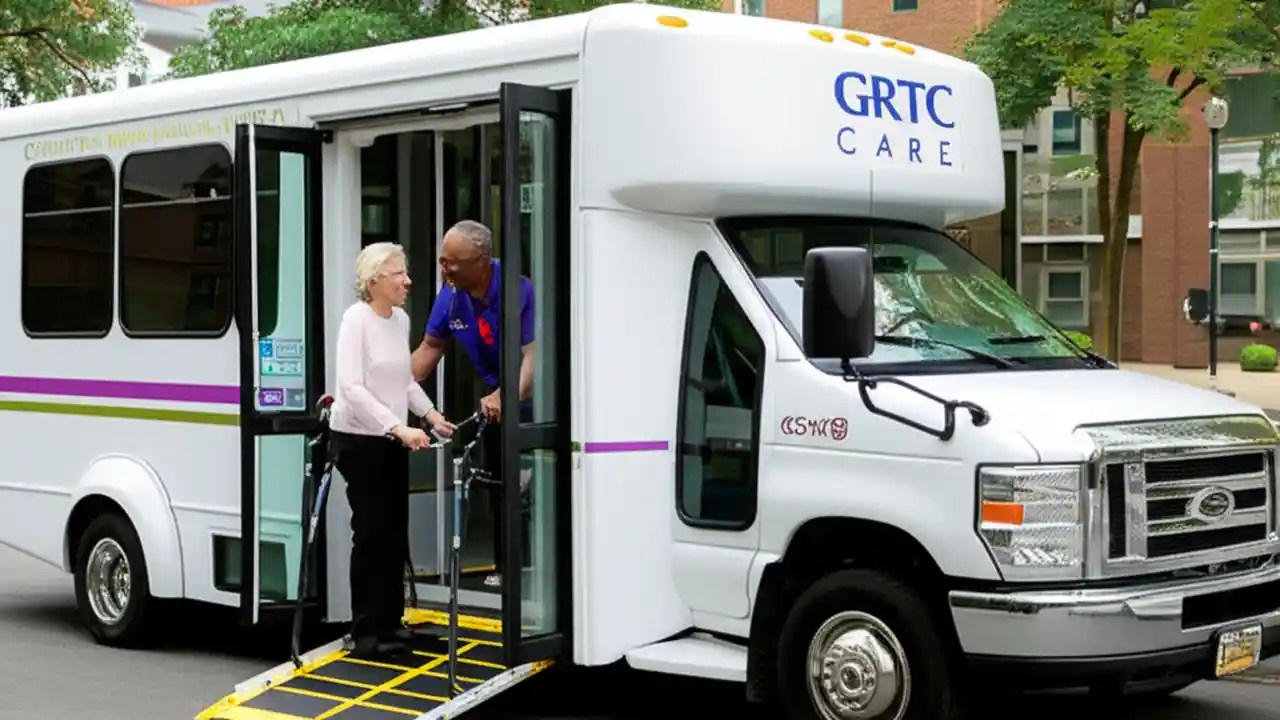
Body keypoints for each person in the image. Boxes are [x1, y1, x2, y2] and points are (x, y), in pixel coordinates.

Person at [330, 241, 456, 657]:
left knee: (393, 533)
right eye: (399, 273)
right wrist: (397, 427)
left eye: (405, 272)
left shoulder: (398, 320)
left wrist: (431, 416)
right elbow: (351, 387)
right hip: (359, 440)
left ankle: (390, 623)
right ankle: (365, 632)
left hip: (391, 438)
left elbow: (402, 381)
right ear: (374, 281)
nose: (408, 280)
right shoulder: (356, 320)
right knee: (371, 534)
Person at [411, 219, 534, 589]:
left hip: (536, 400)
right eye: (442, 261)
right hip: (497, 400)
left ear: (482, 261)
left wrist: (506, 394)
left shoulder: (517, 288)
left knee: (529, 490)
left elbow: (534, 356)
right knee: (498, 483)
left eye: (452, 262)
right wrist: (390, 382)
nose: (444, 269)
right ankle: (504, 567)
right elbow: (429, 350)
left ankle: (530, 572)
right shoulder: (449, 295)